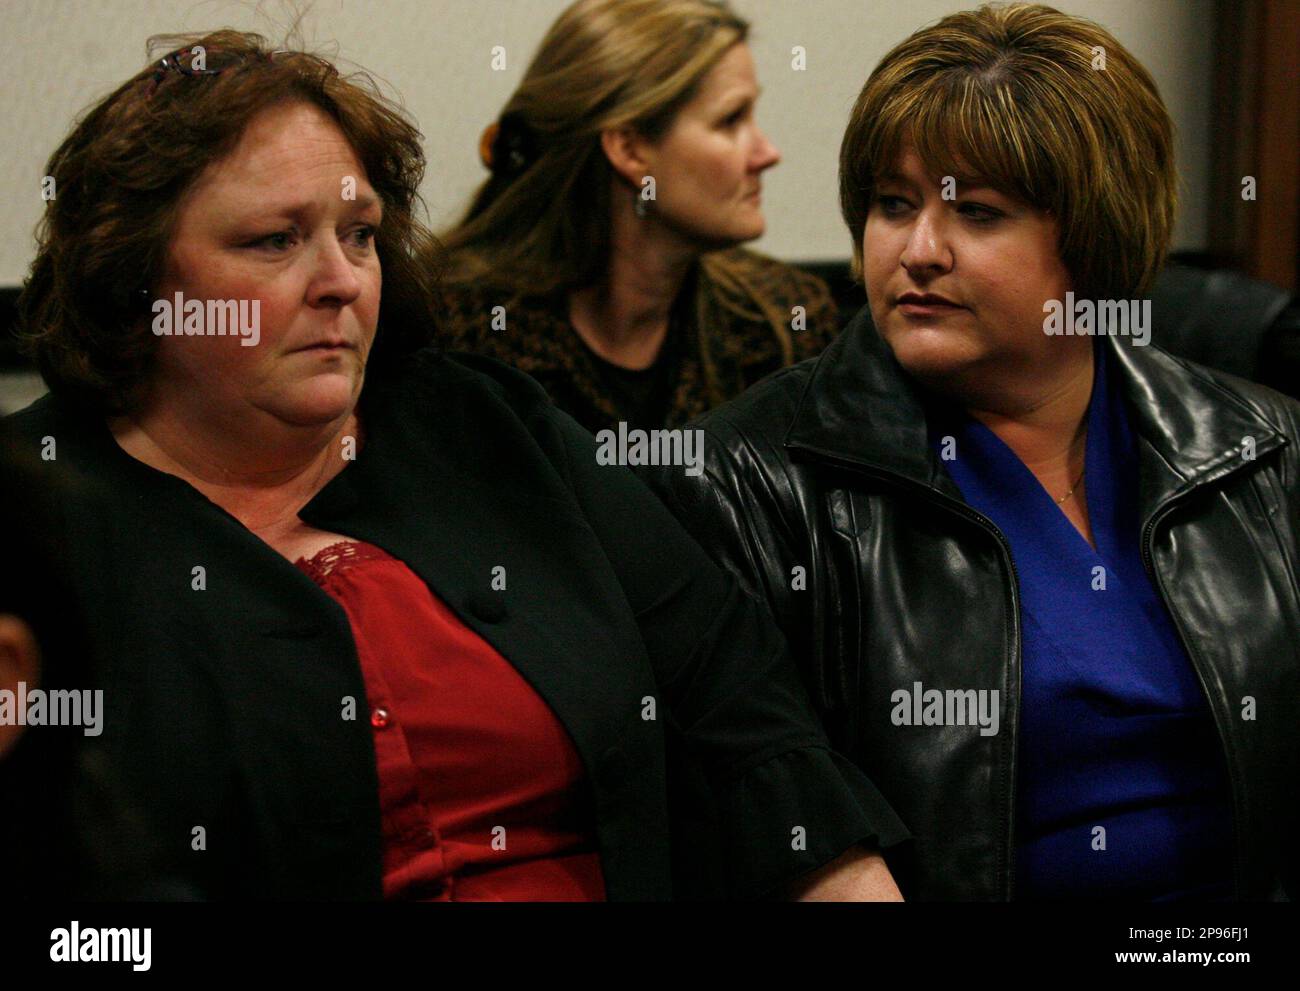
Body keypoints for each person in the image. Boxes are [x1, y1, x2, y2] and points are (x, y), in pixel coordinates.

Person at [8, 30, 908, 901]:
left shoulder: (487, 427)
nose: (341, 280)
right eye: (274, 240)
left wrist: (840, 876)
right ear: (133, 280)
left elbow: (734, 695)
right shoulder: (36, 510)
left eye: (359, 235)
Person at [642, 3, 1299, 900]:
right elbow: (746, 817)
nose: (917, 251)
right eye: (891, 204)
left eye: (977, 213)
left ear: (1095, 233)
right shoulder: (741, 481)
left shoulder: (1260, 448)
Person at [434, 0, 839, 434]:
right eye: (730, 120)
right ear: (629, 150)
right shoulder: (461, 336)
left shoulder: (781, 325)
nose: (767, 154)